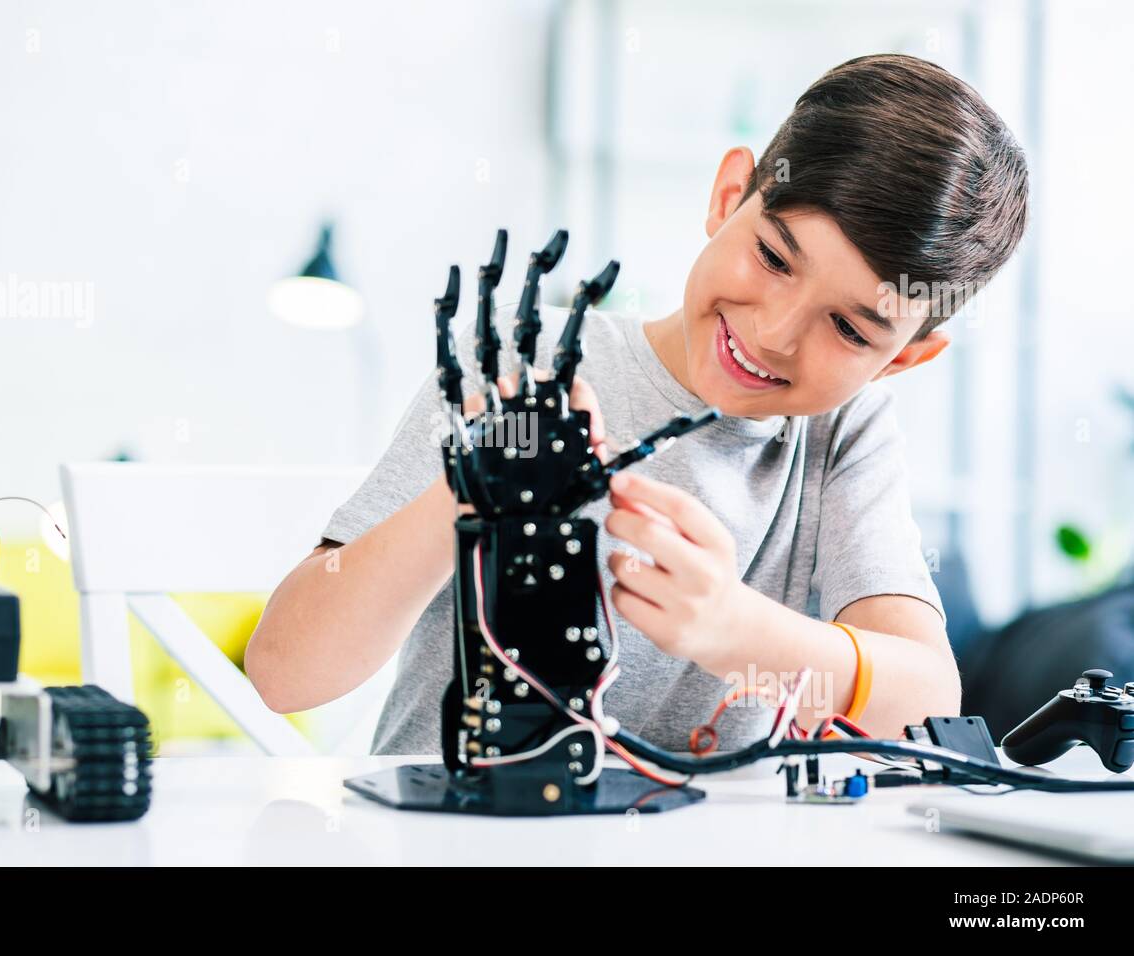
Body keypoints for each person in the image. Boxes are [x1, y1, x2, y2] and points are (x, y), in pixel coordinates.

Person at [246, 54, 1029, 754]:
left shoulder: (843, 434)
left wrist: (732, 629)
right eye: (772, 257)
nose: (775, 332)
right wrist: (468, 487)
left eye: (852, 328)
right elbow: (285, 673)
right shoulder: (530, 364)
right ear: (729, 195)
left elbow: (927, 703)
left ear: (906, 358)